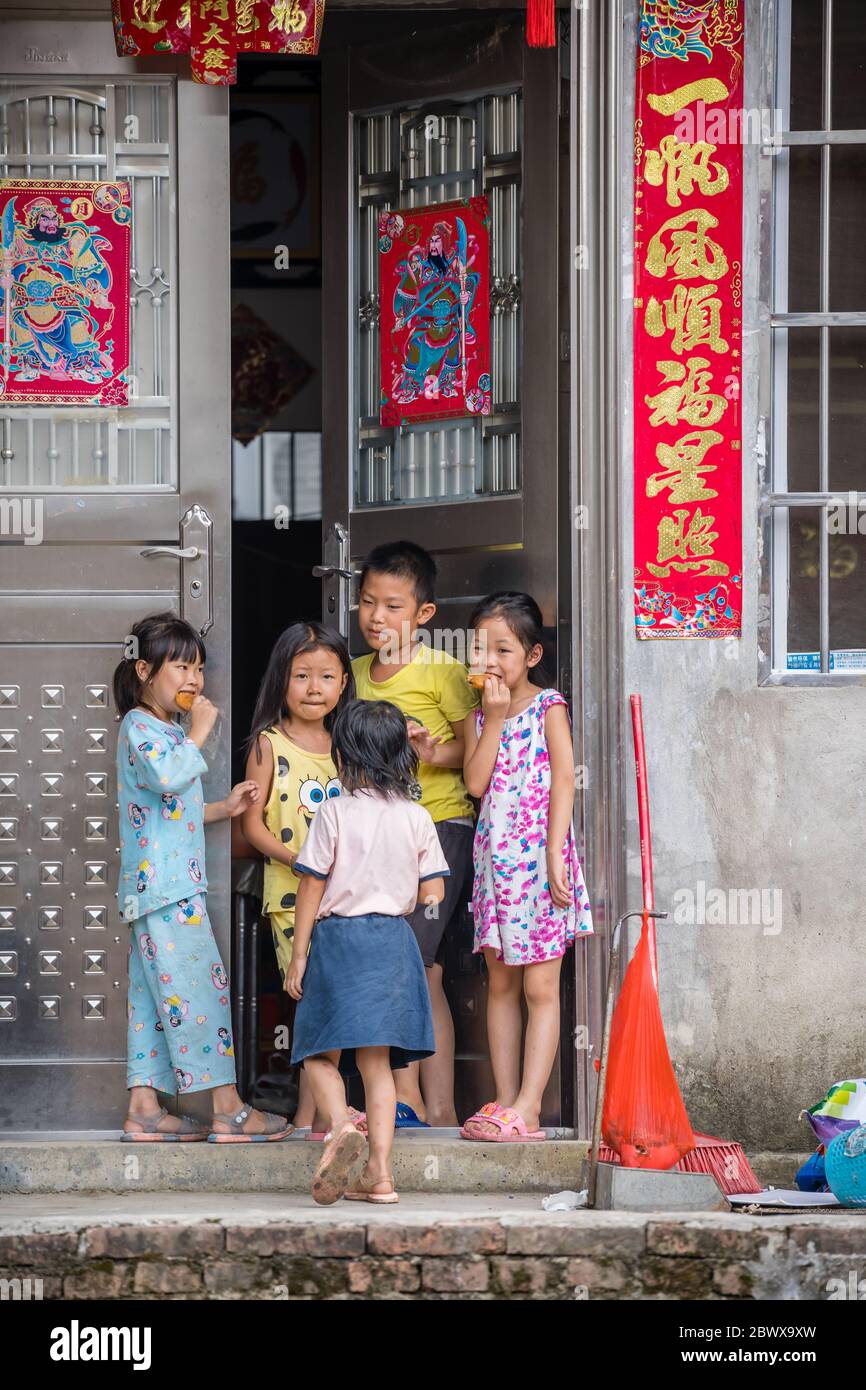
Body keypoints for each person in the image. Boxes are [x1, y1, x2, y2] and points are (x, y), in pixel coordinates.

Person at [115, 612, 291, 1142]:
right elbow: (169, 775)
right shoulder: (140, 726)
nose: (194, 680)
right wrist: (200, 732)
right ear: (145, 670)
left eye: (199, 668)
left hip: (158, 889)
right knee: (200, 995)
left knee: (150, 999)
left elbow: (171, 806)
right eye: (181, 667)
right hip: (168, 891)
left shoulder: (160, 729)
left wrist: (224, 806)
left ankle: (144, 1108)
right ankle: (229, 1109)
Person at [286, 699, 448, 1204]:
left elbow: (311, 887)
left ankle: (339, 1125)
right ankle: (380, 1176)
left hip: (340, 942)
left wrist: (298, 955)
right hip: (393, 942)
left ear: (344, 754)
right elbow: (433, 893)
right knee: (379, 1068)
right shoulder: (417, 815)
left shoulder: (334, 811)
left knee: (315, 1050)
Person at [352, 540, 479, 1127]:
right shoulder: (350, 676)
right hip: (374, 844)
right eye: (368, 603)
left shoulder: (444, 671)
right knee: (412, 967)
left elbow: (473, 754)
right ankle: (412, 1103)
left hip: (439, 829)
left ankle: (431, 1105)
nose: (378, 618)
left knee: (415, 962)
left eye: (394, 606)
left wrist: (434, 750)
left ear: (424, 615)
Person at [460, 592, 593, 1142]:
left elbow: (564, 777)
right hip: (496, 868)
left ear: (532, 655)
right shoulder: (477, 715)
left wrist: (554, 852)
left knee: (540, 987)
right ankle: (504, 1099)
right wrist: (490, 719)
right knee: (500, 987)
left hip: (540, 865)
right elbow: (474, 783)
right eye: (480, 648)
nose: (489, 660)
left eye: (503, 649)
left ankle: (531, 1105)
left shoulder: (549, 706)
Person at [241, 621, 355, 1135]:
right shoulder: (268, 744)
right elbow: (251, 825)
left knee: (328, 1003)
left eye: (326, 677)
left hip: (343, 900)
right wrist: (297, 859)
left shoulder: (347, 747)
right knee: (311, 999)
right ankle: (320, 1119)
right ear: (280, 681)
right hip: (290, 899)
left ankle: (312, 1120)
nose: (314, 689)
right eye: (302, 675)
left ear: (344, 684)